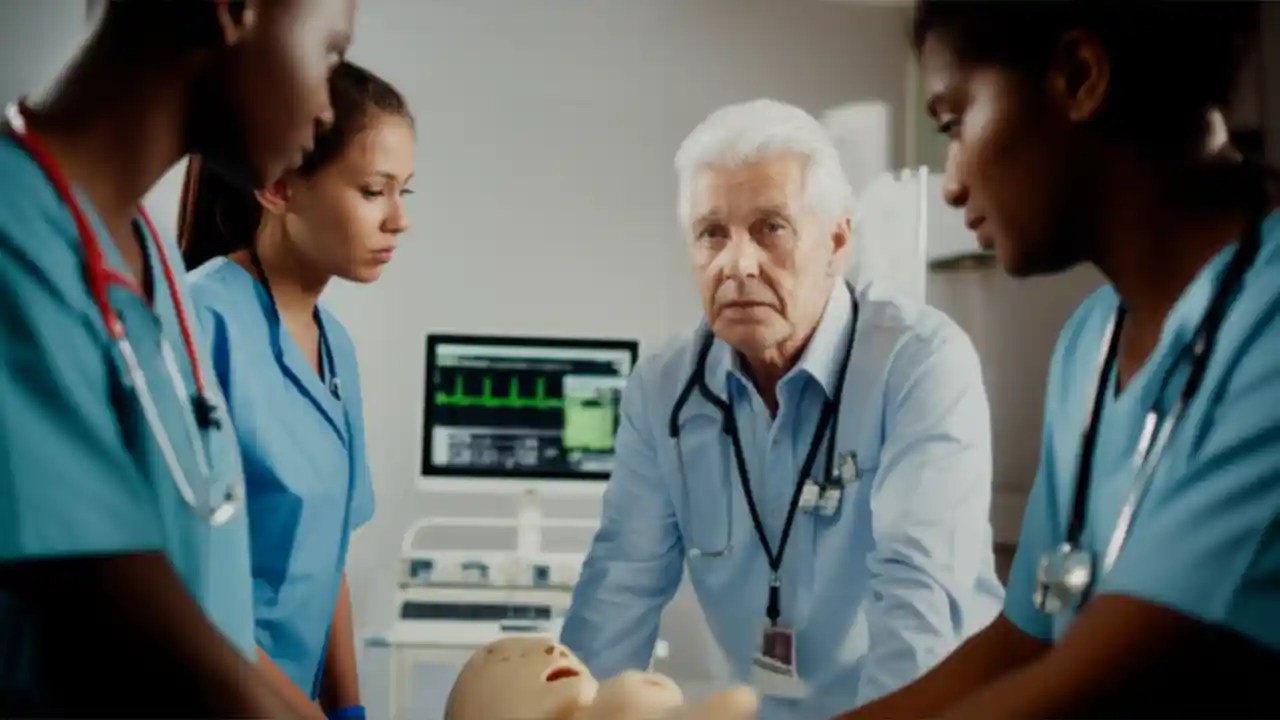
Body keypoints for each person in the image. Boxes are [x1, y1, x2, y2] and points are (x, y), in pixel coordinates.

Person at [833, 2, 1280, 718]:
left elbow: (1100, 686)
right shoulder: (1089, 344)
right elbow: (1024, 643)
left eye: (954, 124)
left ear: (1077, 77)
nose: (951, 183)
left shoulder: (1268, 323)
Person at [561, 98, 1005, 720]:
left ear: (837, 240)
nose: (737, 263)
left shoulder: (919, 363)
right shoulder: (663, 391)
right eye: (712, 232)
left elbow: (920, 604)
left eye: (771, 227)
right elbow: (617, 590)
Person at [0, 0, 357, 717]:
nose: (326, 108)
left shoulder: (152, 254)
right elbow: (113, 609)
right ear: (235, 11)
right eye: (328, 54)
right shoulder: (15, 237)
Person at [178, 60, 413, 720]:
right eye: (374, 191)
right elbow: (177, 588)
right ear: (278, 187)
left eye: (406, 193)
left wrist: (348, 709)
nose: (399, 221)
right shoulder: (196, 325)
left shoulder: (335, 346)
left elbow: (326, 556)